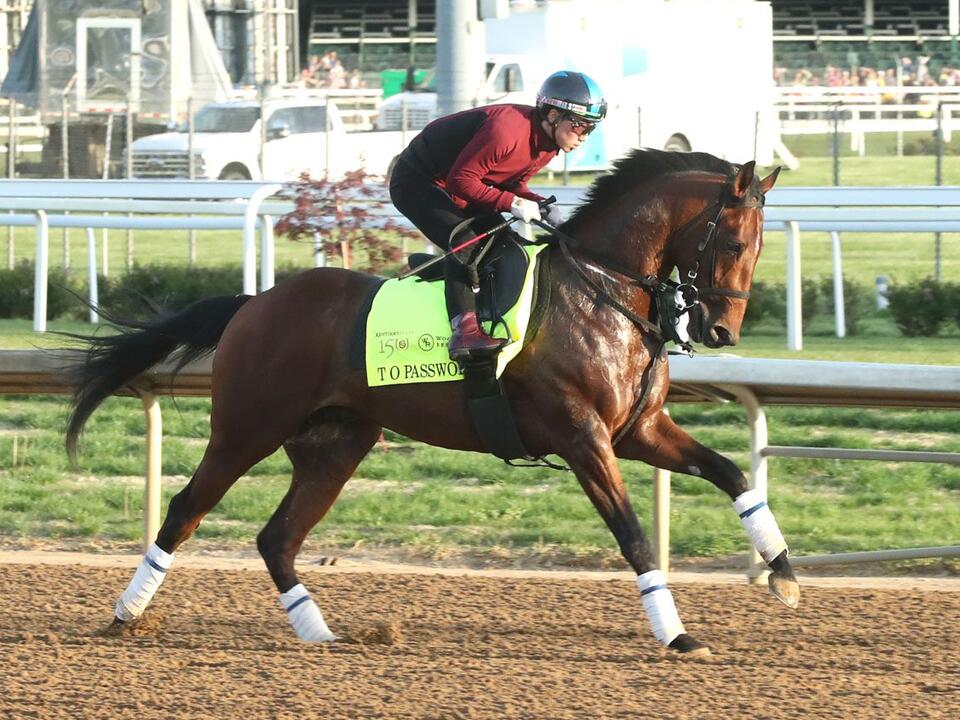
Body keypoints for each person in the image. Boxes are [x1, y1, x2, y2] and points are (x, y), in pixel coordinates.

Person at [389, 70, 607, 360]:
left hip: (465, 183)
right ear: (553, 115)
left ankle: (438, 270)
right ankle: (463, 333)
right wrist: (512, 203)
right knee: (467, 243)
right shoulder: (506, 131)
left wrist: (539, 203)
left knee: (508, 248)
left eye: (590, 130)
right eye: (580, 127)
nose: (583, 137)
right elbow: (461, 181)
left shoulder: (548, 144)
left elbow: (510, 183)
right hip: (419, 181)